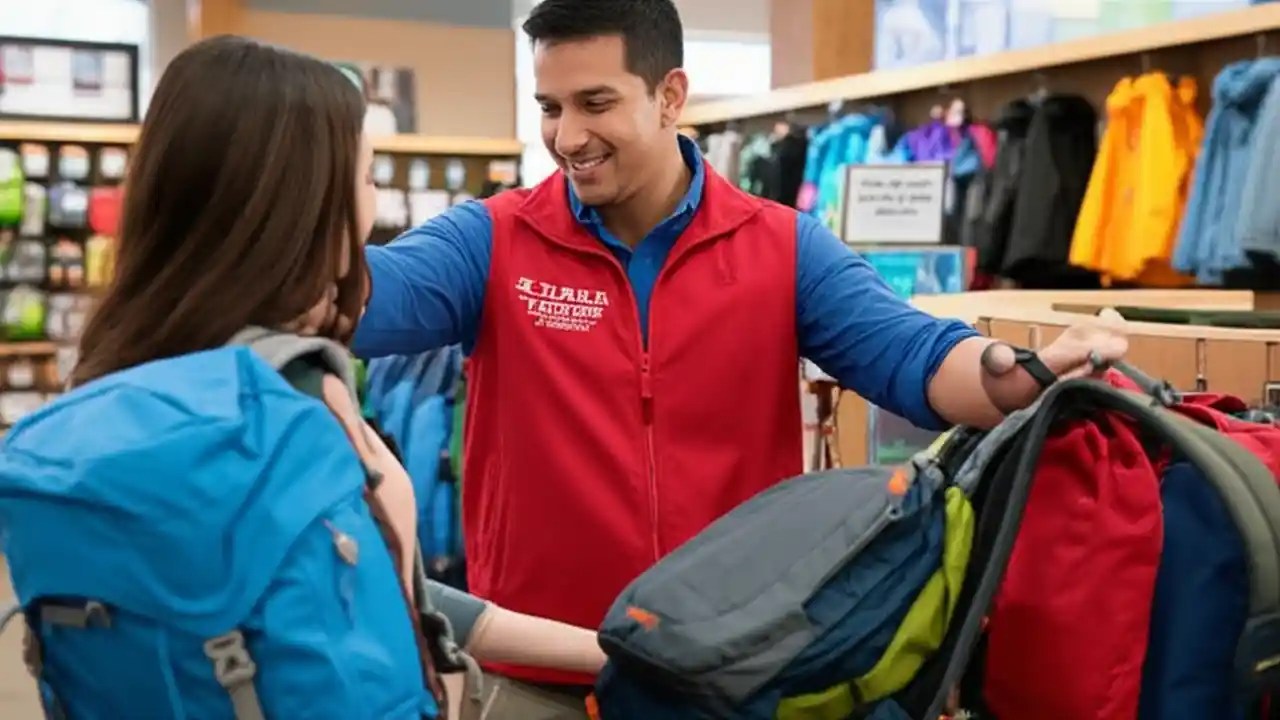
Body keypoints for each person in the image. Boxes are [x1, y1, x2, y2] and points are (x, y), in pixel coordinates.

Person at [352, 0, 1128, 716]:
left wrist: (1031, 370)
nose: (567, 137)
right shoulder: (492, 240)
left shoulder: (780, 247)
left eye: (595, 103)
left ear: (669, 95)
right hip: (536, 680)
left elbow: (914, 356)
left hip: (730, 674)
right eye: (550, 109)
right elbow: (356, 301)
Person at [65, 34, 605, 702]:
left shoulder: (125, 368)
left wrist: (604, 652)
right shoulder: (283, 398)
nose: (374, 202)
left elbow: (383, 584)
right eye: (369, 175)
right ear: (307, 198)